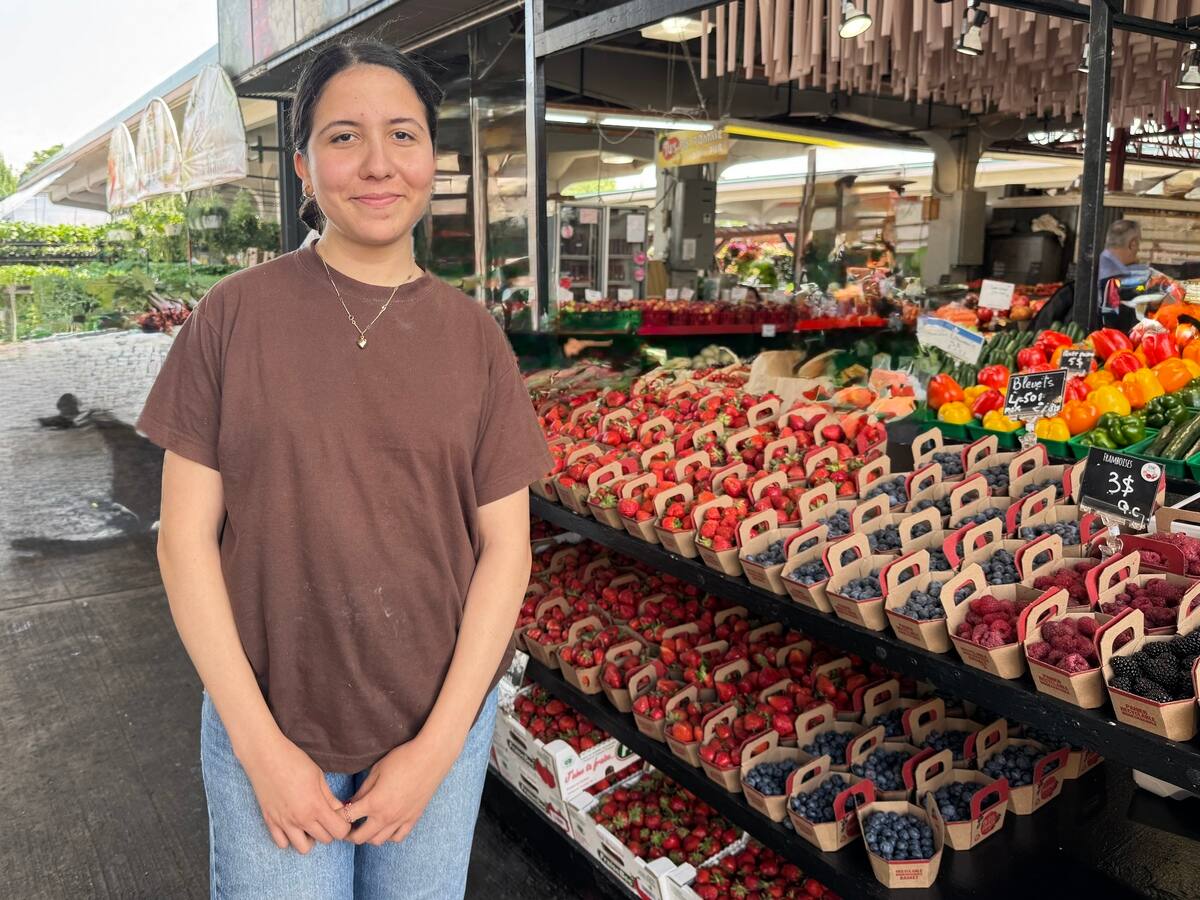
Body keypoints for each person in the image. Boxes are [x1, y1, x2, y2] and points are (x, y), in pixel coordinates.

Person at [137, 39, 552, 900]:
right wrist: (261, 750)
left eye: (403, 135)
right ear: (301, 164)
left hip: (436, 727)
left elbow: (506, 551)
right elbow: (183, 541)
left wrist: (437, 749)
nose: (376, 163)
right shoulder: (231, 318)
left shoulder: (475, 339)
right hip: (270, 726)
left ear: (433, 159)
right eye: (342, 137)